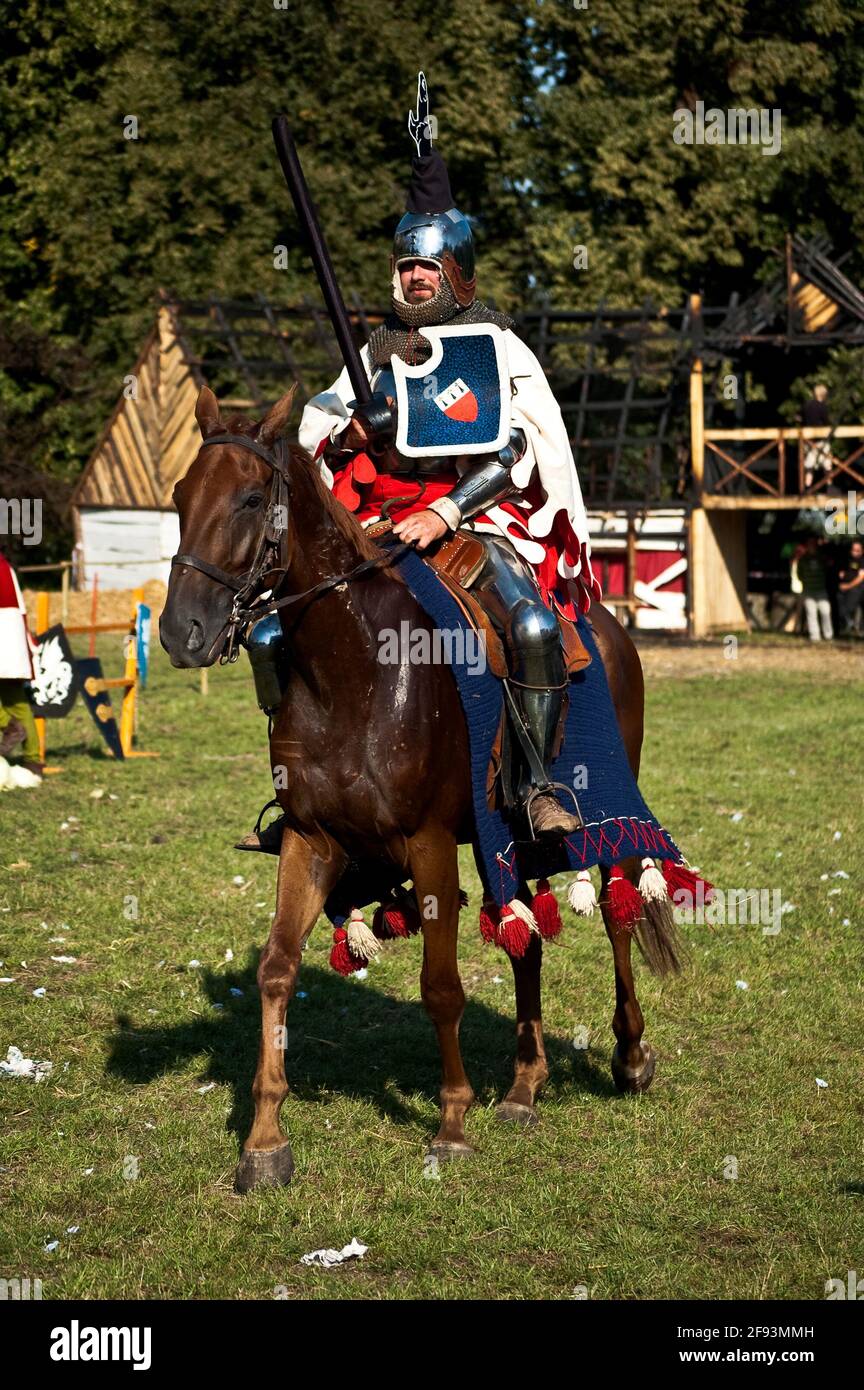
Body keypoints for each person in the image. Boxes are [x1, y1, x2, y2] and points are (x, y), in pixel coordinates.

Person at [237, 74, 601, 853]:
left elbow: (515, 450)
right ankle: (295, 790)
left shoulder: (495, 347)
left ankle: (536, 783)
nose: (414, 277)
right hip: (379, 526)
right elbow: (312, 438)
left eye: (427, 267)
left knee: (533, 625)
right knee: (273, 636)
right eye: (405, 267)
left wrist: (447, 507)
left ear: (458, 270)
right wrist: (355, 429)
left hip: (476, 520)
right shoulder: (372, 352)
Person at [0, 548, 43, 778]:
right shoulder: (4, 564)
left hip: (4, 630)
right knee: (15, 698)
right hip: (11, 635)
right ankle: (33, 761)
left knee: (14, 700)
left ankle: (9, 725)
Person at [796, 536, 833, 641]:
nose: (811, 546)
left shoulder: (822, 558)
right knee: (811, 613)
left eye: (813, 543)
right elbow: (799, 575)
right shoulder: (803, 559)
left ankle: (828, 635)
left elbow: (828, 569)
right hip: (808, 590)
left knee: (825, 612)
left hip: (821, 591)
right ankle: (815, 637)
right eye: (809, 543)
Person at [801, 385, 835, 488]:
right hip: (821, 440)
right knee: (827, 463)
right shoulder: (822, 407)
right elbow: (827, 422)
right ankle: (829, 486)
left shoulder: (806, 405)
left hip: (808, 440)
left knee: (809, 464)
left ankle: (807, 487)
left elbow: (800, 419)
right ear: (824, 395)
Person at [837, 538, 864, 635]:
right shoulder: (847, 559)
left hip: (857, 589)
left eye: (858, 550)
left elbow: (861, 577)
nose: (855, 552)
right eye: (853, 550)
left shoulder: (862, 561)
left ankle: (853, 625)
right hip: (844, 588)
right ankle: (848, 624)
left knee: (848, 608)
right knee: (839, 606)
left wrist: (847, 586)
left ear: (862, 551)